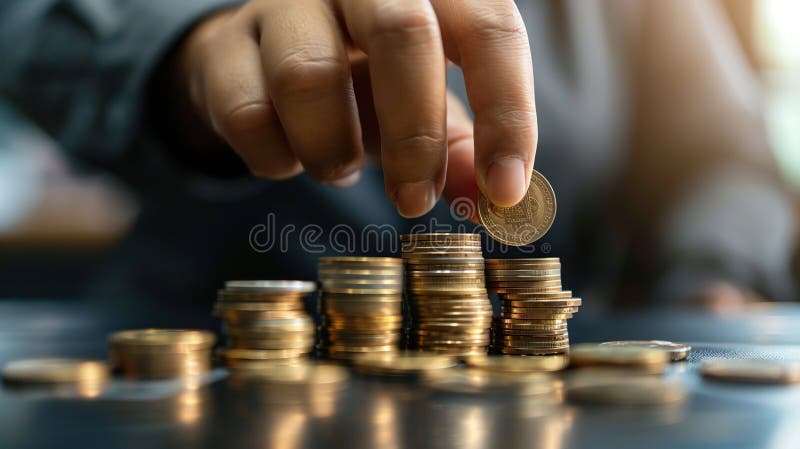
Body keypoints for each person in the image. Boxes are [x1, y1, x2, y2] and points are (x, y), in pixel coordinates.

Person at [0, 0, 796, 312]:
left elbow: (720, 157)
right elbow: (35, 26)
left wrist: (710, 274)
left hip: (557, 374)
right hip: (215, 347)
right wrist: (188, 50)